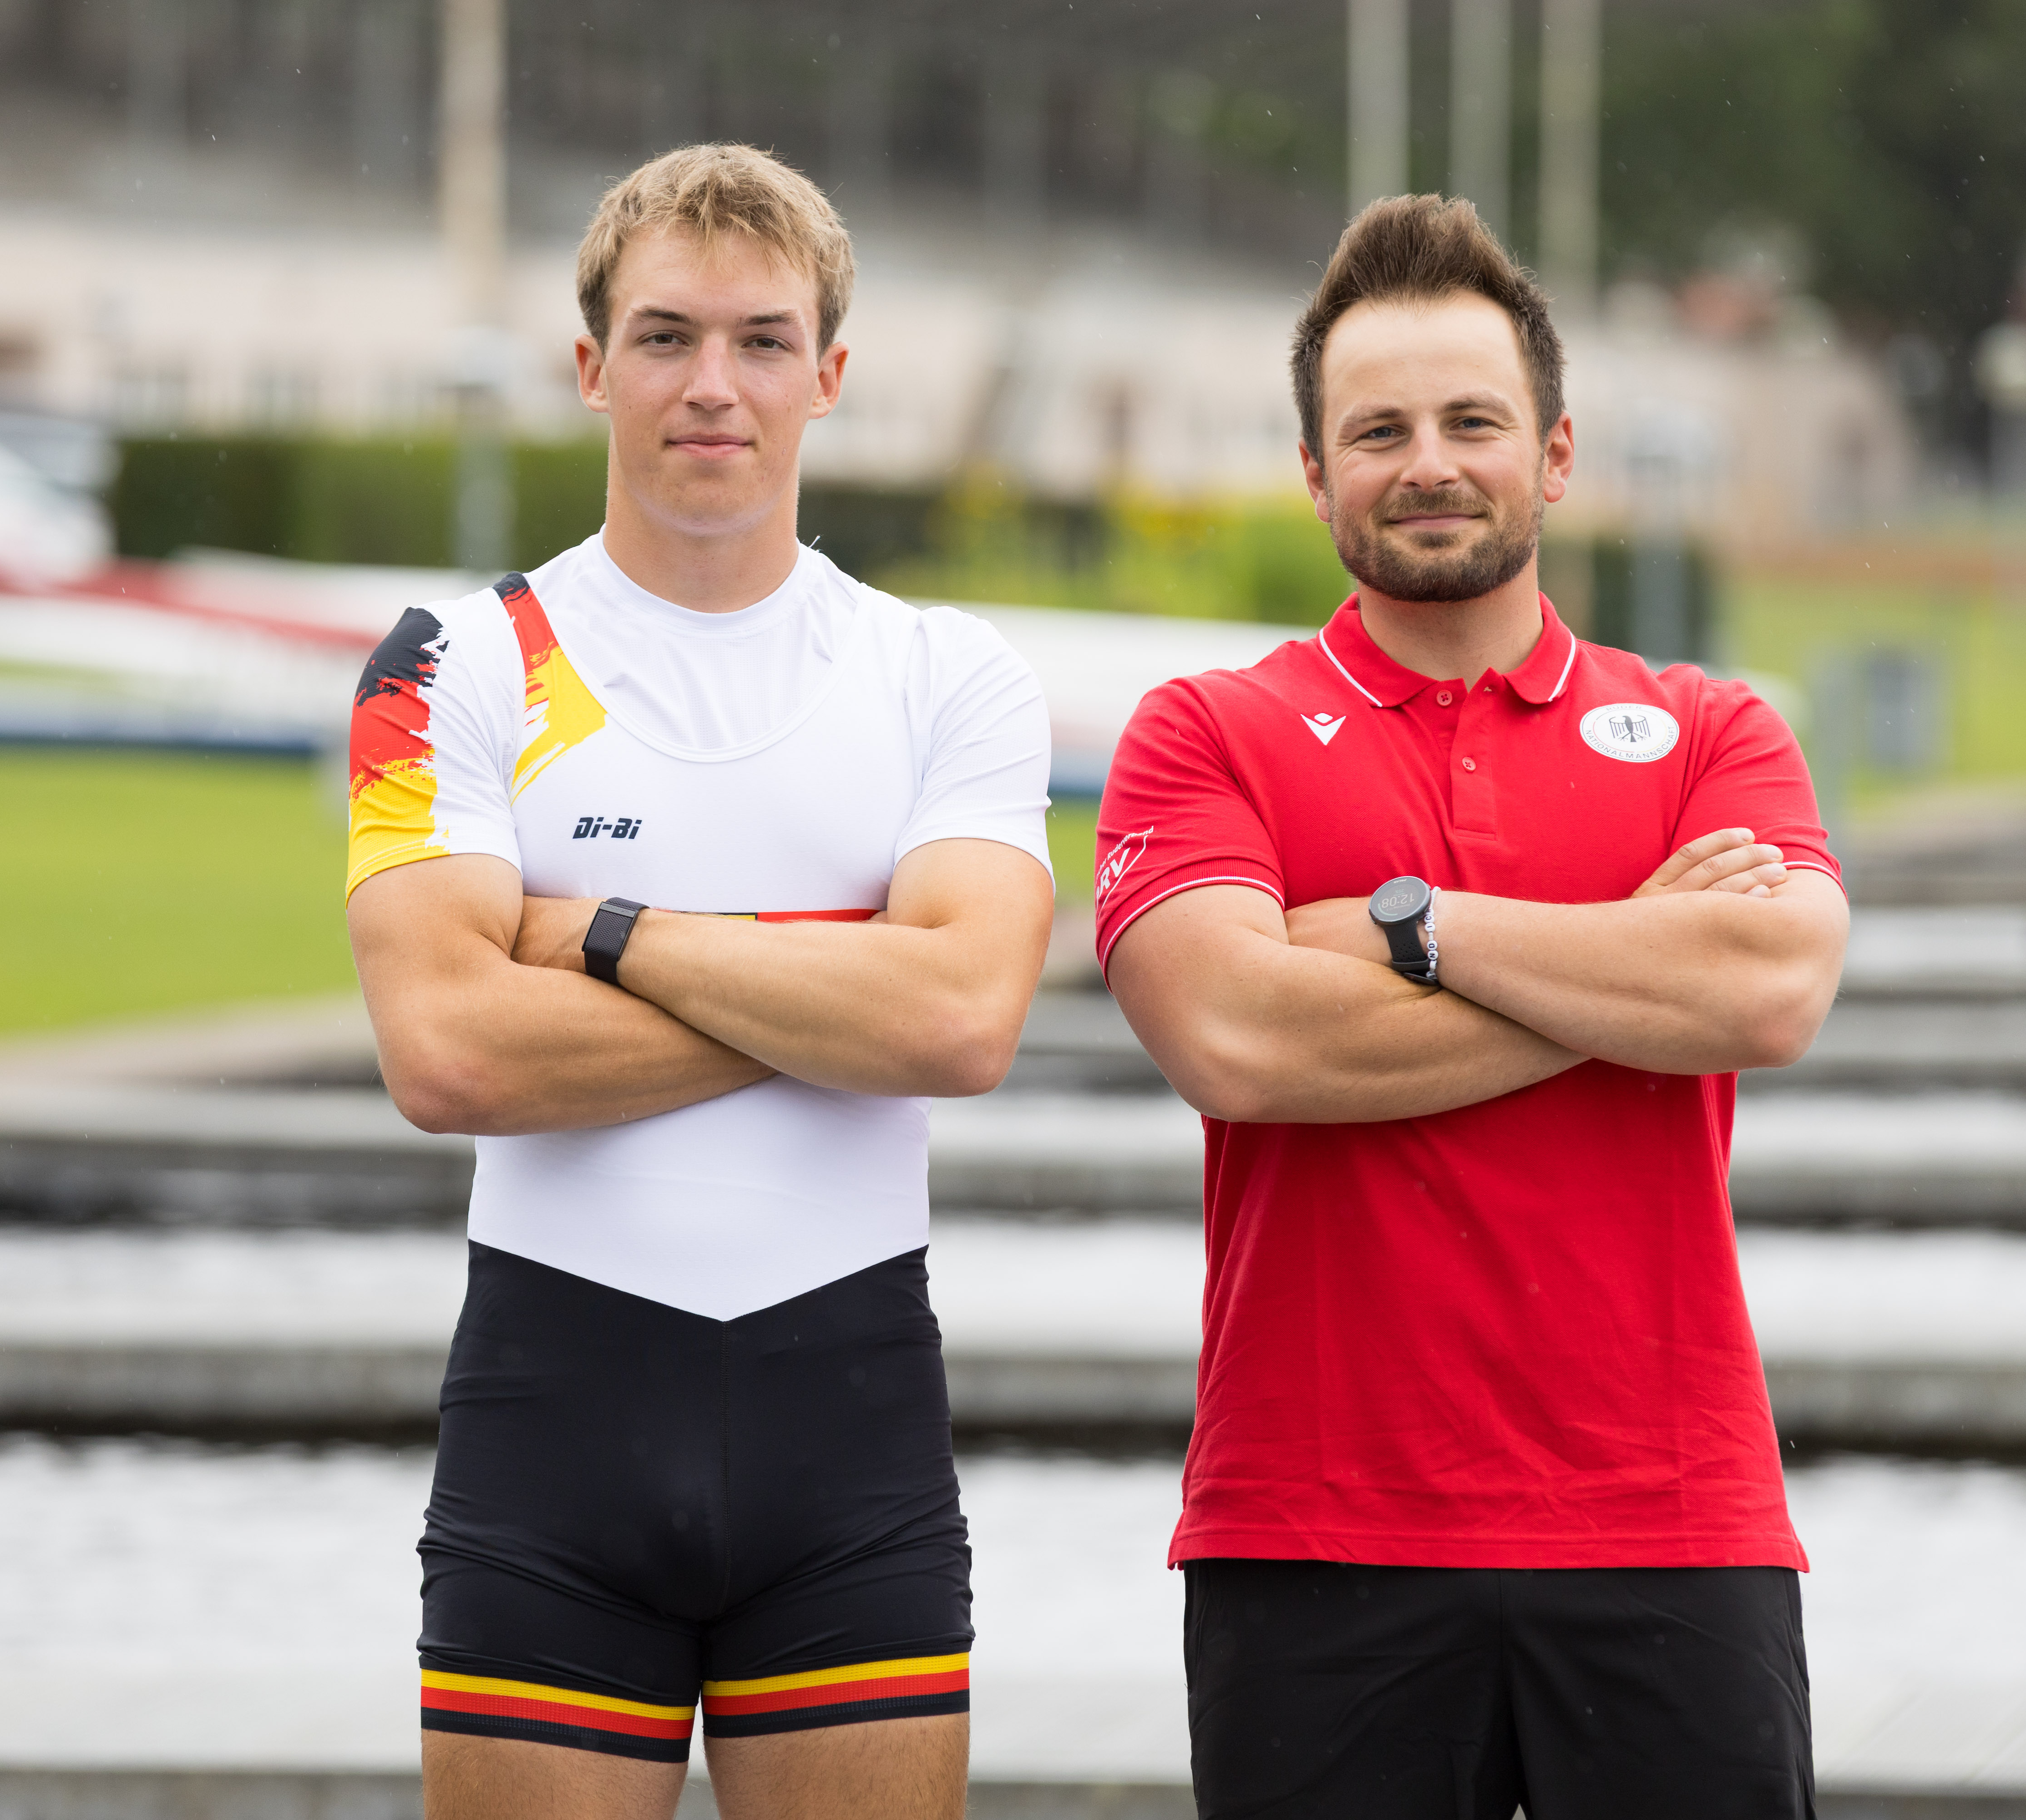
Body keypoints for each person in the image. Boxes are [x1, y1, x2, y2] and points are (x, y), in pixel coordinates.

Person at [1095, 194, 1850, 1820]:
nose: (1427, 461)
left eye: (1471, 422)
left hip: (1673, 1522)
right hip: (1312, 1534)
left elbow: (1774, 985)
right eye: (1377, 431)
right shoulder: (1206, 732)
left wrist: (1407, 931)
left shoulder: (1711, 727)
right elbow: (1237, 1037)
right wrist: (1630, 967)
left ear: (1557, 455)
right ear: (1315, 473)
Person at [344, 144, 1053, 1820]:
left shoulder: (946, 673)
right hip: (552, 1436)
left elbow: (961, 1024)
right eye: (664, 338)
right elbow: (448, 1055)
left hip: (851, 1441)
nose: (711, 384)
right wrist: (845, 979)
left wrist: (601, 933)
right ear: (590, 367)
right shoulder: (446, 664)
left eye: (759, 339)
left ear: (831, 374)